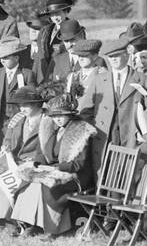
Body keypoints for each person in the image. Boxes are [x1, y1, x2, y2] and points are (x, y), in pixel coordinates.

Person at [8, 93, 96, 237]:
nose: (58, 119)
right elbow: (43, 152)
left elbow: (78, 164)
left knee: (47, 185)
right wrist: (37, 164)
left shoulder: (81, 133)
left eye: (61, 115)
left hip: (75, 175)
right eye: (54, 116)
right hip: (53, 170)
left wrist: (55, 168)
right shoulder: (52, 129)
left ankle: (53, 229)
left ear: (70, 114)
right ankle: (28, 224)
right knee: (28, 182)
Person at [0, 86, 47, 228]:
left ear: (37, 104)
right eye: (20, 105)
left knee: (24, 180)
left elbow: (47, 146)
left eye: (26, 105)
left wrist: (33, 161)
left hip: (35, 162)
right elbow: (8, 139)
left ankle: (17, 220)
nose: (22, 108)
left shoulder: (46, 120)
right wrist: (5, 148)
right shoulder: (18, 119)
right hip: (15, 160)